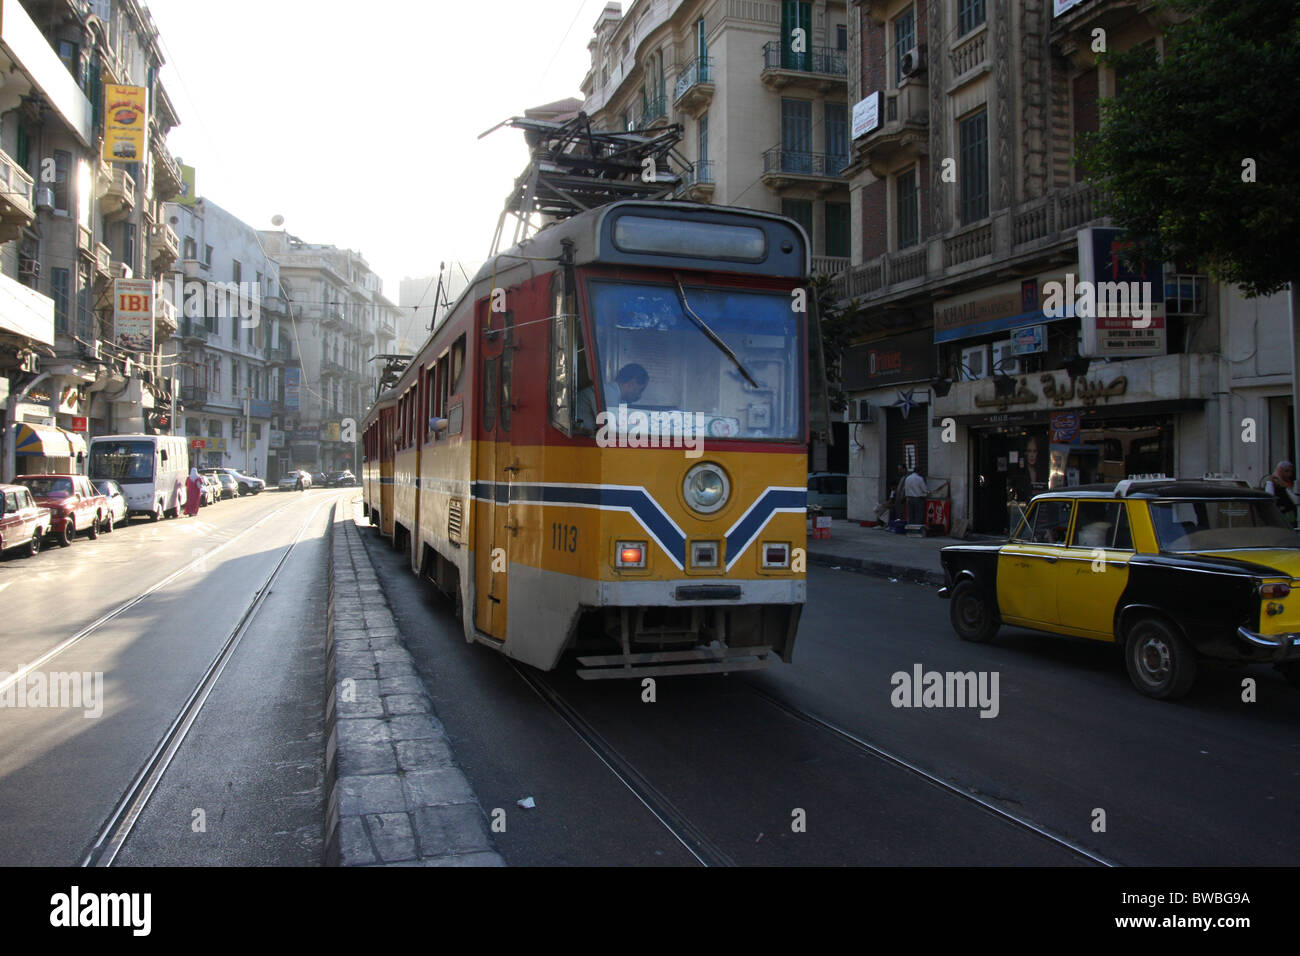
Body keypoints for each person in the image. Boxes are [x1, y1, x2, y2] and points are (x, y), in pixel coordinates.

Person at [575, 363, 650, 433]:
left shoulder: (611, 393)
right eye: (640, 390)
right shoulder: (608, 393)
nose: (639, 396)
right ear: (631, 384)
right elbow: (612, 430)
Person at [1264, 461, 1299, 527]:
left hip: (1290, 515)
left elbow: (1296, 499)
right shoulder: (1271, 483)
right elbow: (1270, 497)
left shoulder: (1290, 484)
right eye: (1286, 471)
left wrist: (1285, 486)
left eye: (1291, 472)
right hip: (1279, 516)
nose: (1290, 474)